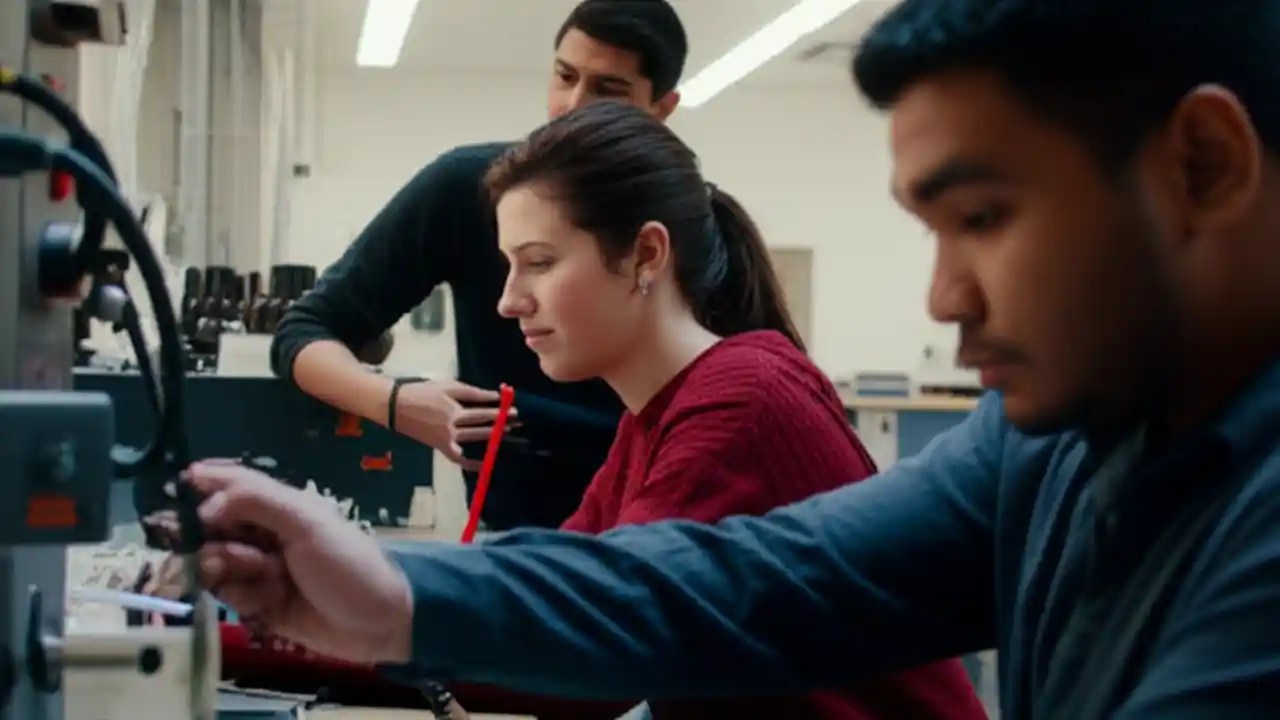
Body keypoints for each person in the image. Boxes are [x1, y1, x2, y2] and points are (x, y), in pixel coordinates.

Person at [191, 0, 1280, 717]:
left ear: (1201, 166)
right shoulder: (1048, 436)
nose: (943, 297)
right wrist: (380, 592)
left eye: (985, 218)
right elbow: (743, 579)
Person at [269, 0, 688, 531]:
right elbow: (303, 333)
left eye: (608, 91)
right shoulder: (466, 190)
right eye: (564, 76)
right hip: (512, 538)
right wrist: (396, 402)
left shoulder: (695, 222)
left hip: (653, 540)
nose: (573, 105)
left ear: (661, 107)